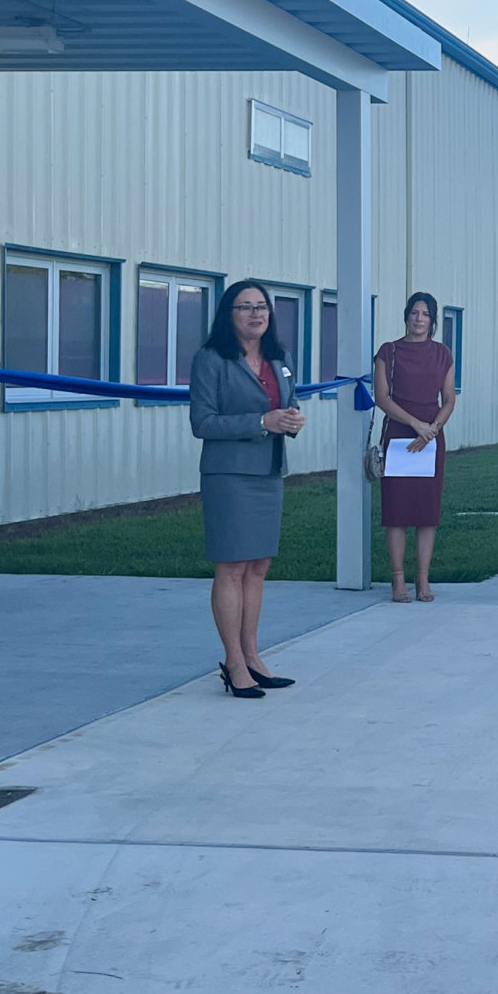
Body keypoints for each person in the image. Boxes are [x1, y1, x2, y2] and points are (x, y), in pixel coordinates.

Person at [189, 280, 304, 698]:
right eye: (245, 307)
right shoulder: (211, 360)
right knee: (231, 568)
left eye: (262, 307)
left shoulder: (280, 358)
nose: (256, 314)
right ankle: (233, 662)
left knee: (258, 568)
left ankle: (253, 656)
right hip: (229, 476)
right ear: (228, 314)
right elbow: (202, 422)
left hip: (269, 471)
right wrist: (261, 422)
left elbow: (282, 406)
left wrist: (289, 420)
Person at [373, 292, 457, 604]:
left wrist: (433, 427)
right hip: (398, 434)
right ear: (406, 315)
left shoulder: (442, 353)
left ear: (433, 320)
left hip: (432, 438)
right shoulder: (388, 351)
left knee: (426, 511)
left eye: (425, 314)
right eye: (414, 312)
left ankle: (423, 578)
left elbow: (448, 397)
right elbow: (382, 397)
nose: (419, 318)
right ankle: (397, 580)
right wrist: (416, 425)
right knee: (397, 511)